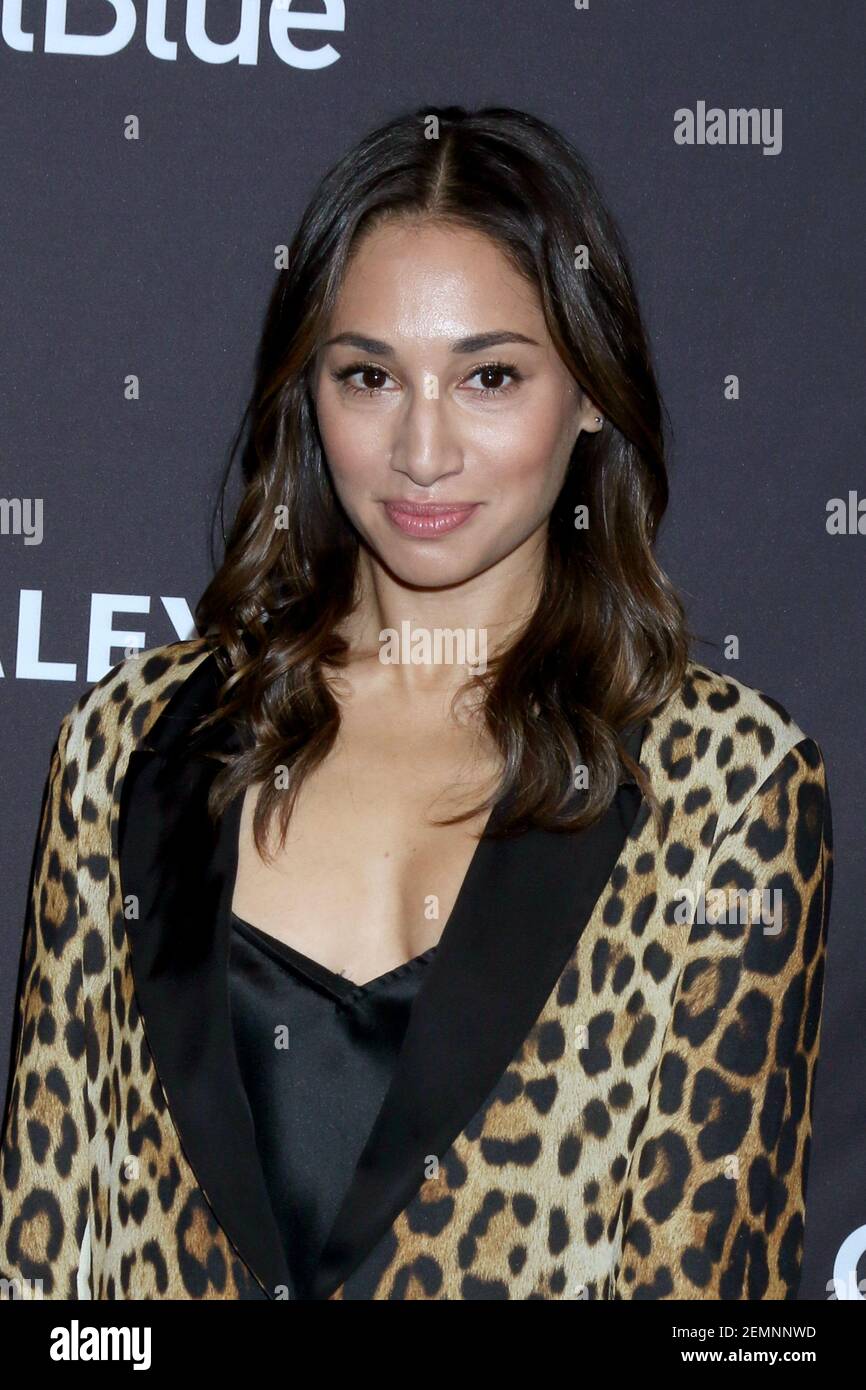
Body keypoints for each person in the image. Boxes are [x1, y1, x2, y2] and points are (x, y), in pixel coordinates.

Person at [0, 105, 832, 1301]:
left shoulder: (728, 787)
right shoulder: (127, 745)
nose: (420, 448)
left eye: (489, 375)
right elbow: (46, 1263)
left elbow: (707, 1299)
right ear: (311, 393)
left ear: (591, 392)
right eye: (368, 376)